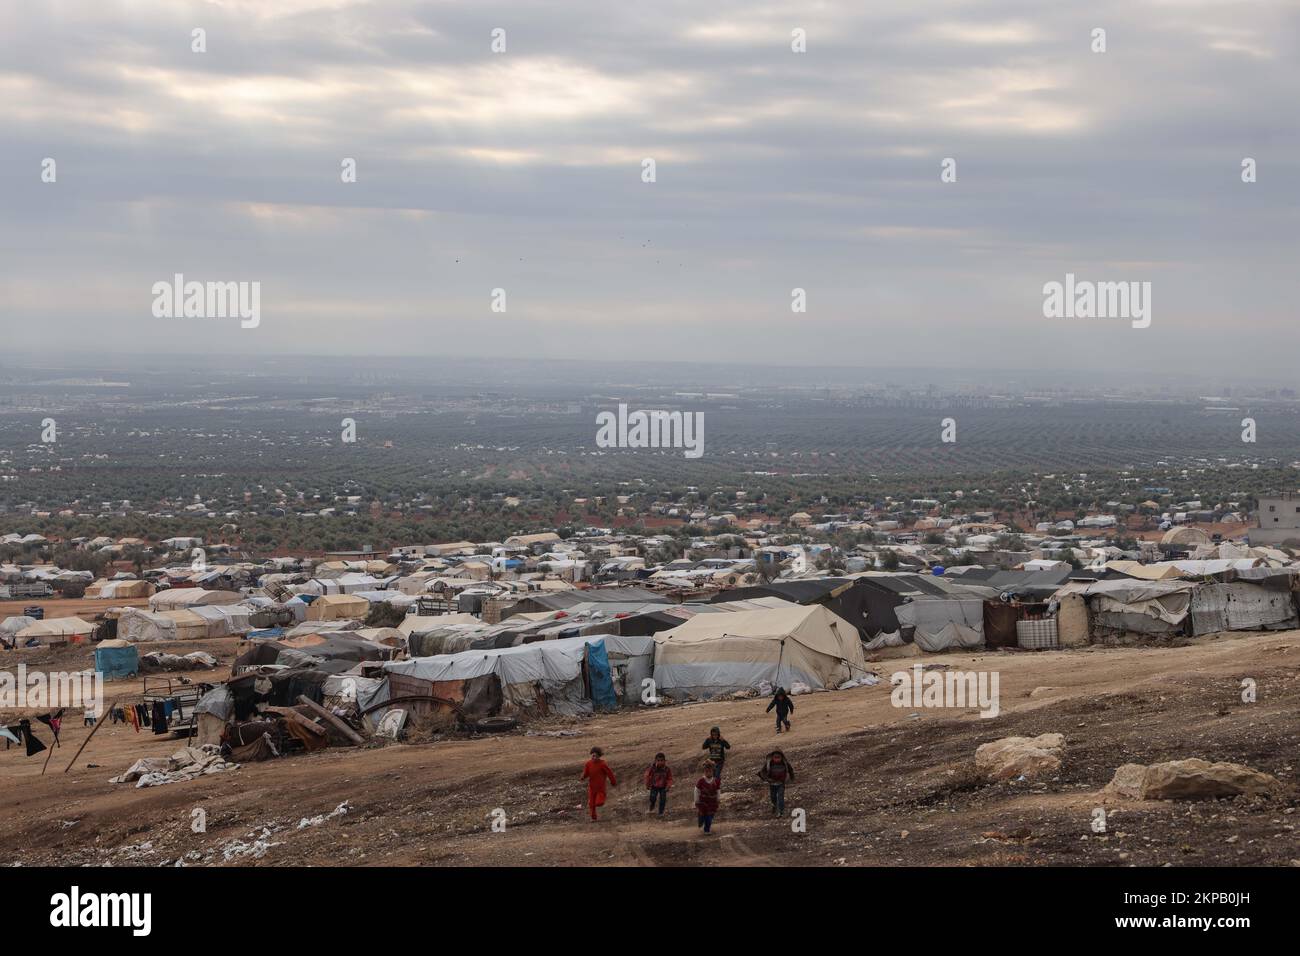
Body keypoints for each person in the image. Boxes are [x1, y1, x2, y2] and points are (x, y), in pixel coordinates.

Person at [582, 746, 617, 821]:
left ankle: (601, 801)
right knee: (591, 804)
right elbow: (586, 772)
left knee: (599, 803)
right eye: (593, 755)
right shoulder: (588, 764)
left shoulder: (602, 764)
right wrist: (583, 777)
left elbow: (609, 773)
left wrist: (613, 781)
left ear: (599, 756)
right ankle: (593, 818)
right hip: (592, 787)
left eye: (596, 756)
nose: (594, 757)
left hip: (600, 788)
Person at [759, 749, 795, 815]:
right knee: (773, 797)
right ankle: (775, 806)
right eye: (775, 757)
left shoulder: (785, 763)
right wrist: (767, 778)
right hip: (772, 784)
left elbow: (790, 770)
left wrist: (792, 778)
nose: (777, 759)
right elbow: (762, 772)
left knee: (780, 797)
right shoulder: (769, 763)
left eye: (779, 757)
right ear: (772, 757)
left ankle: (781, 811)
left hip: (781, 783)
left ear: (781, 757)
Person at [694, 759, 721, 833]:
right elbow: (696, 790)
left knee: (710, 816)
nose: (708, 773)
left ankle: (706, 827)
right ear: (704, 771)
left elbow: (718, 790)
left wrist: (718, 798)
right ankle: (705, 826)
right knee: (705, 816)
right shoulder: (701, 781)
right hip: (703, 803)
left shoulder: (715, 781)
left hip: (712, 803)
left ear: (713, 771)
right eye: (706, 771)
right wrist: (696, 800)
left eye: (710, 771)